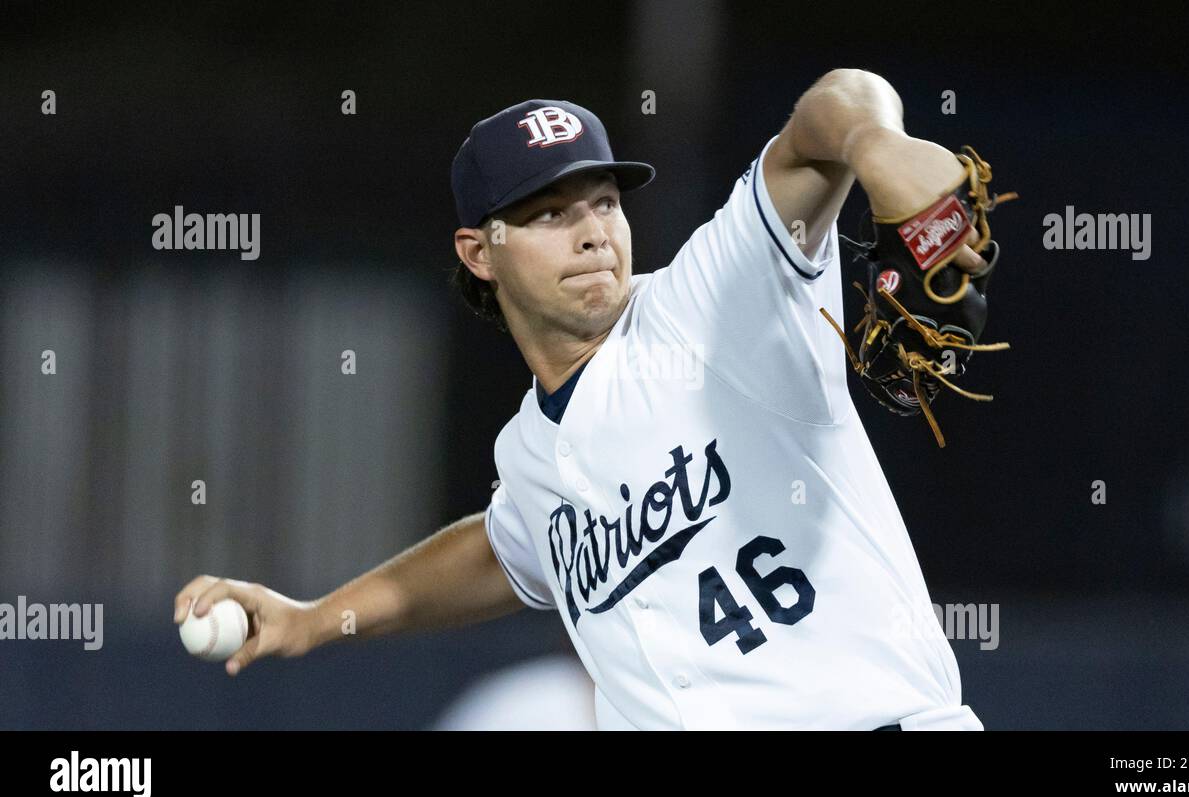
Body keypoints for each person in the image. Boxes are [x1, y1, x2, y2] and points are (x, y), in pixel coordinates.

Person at [175, 70, 990, 730]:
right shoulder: (528, 456)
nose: (595, 230)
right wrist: (312, 617)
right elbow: (500, 549)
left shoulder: (709, 300)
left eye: (604, 201)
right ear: (480, 250)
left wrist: (874, 138)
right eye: (552, 213)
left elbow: (830, 109)